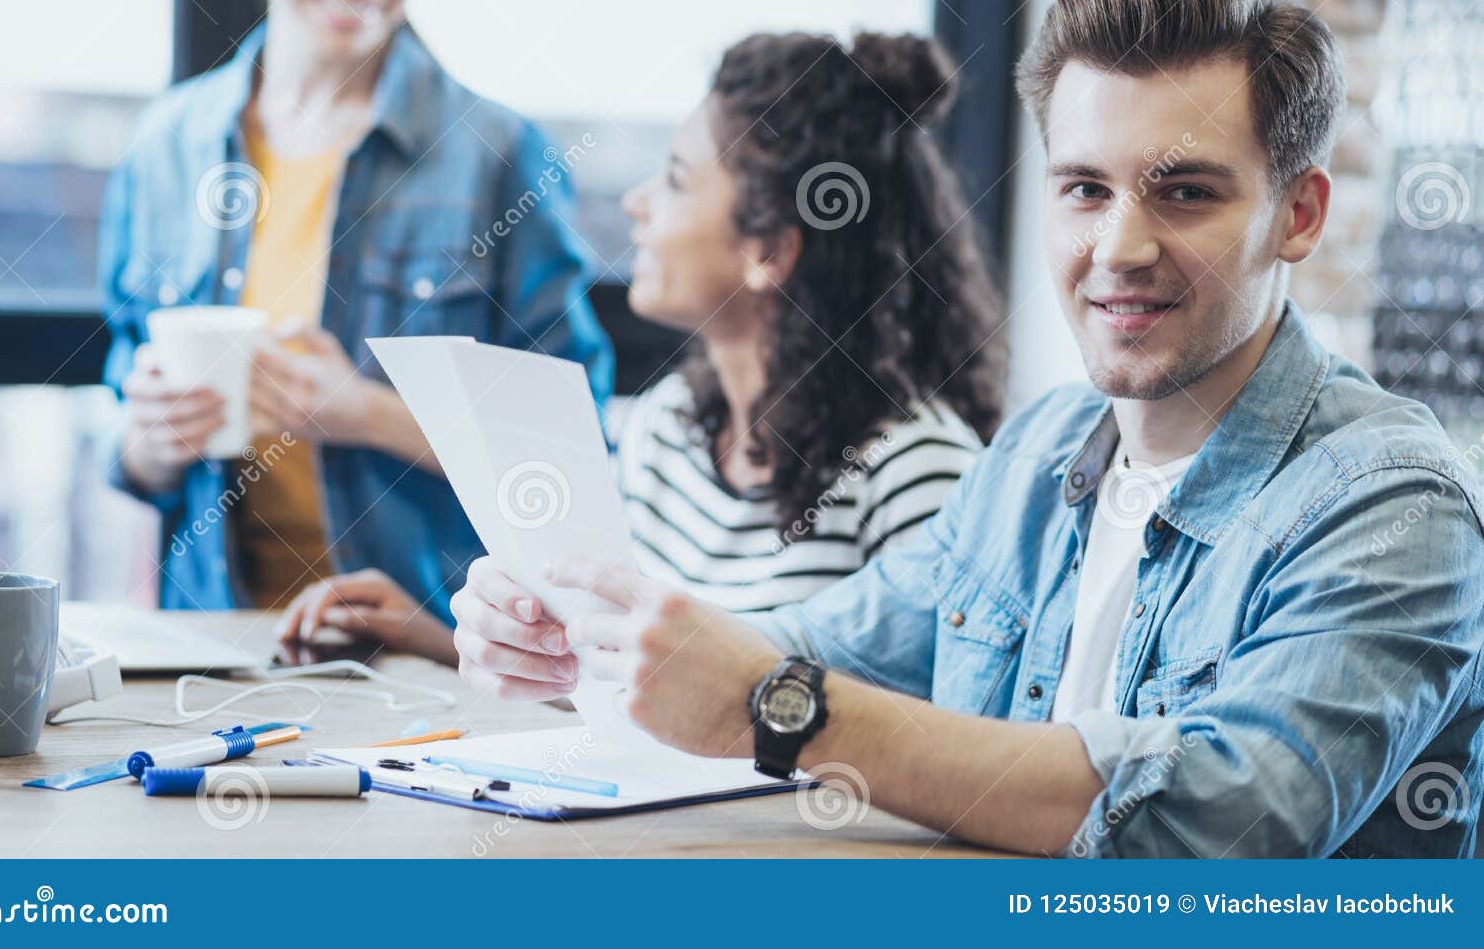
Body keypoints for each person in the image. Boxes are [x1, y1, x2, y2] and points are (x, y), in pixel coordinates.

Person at [449, 0, 1484, 858]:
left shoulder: (1391, 507)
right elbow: (815, 642)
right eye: (1084, 189)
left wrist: (783, 712)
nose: (1118, 249)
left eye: (1184, 193)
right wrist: (590, 643)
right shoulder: (1036, 456)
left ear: (1297, 213)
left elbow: (1221, 825)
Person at [277, 31, 1005, 647]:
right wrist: (424, 635)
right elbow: (633, 691)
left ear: (769, 251)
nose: (637, 202)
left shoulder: (917, 475)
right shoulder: (667, 430)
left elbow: (915, 744)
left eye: (677, 181)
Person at [99, 0, 611, 659]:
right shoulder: (167, 147)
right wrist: (147, 440)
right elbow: (134, 447)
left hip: (423, 671)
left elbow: (570, 466)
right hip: (210, 657)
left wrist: (366, 413)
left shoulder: (497, 159)